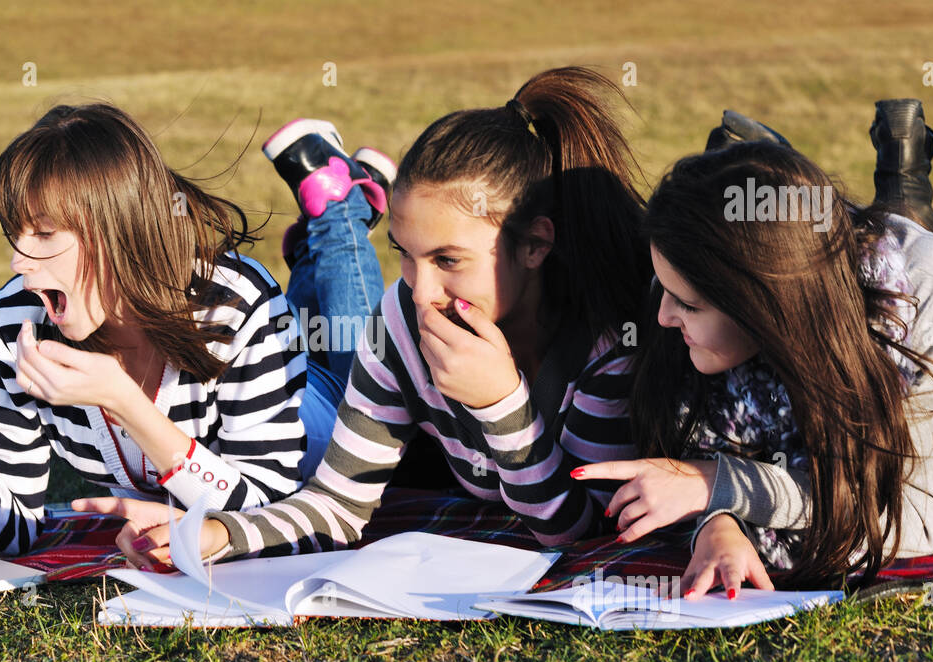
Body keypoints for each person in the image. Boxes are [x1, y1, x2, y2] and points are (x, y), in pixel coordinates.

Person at [101, 66, 654, 569]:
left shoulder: (605, 342)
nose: (420, 293)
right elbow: (339, 505)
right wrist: (219, 534)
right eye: (403, 255)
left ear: (535, 245)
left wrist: (500, 403)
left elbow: (580, 532)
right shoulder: (399, 324)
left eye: (448, 261)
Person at [0, 103, 393, 556]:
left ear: (120, 229)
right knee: (313, 310)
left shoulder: (235, 303)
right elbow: (16, 529)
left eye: (46, 235)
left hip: (315, 427)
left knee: (345, 352)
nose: (18, 262)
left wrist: (125, 403)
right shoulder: (21, 315)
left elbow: (263, 509)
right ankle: (336, 212)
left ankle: (342, 209)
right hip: (258, 389)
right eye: (14, 236)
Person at [573, 140, 933, 597]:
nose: (663, 318)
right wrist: (719, 524)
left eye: (688, 305)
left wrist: (717, 485)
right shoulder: (707, 291)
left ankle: (907, 180)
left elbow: (911, 516)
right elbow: (718, 462)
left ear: (763, 307)